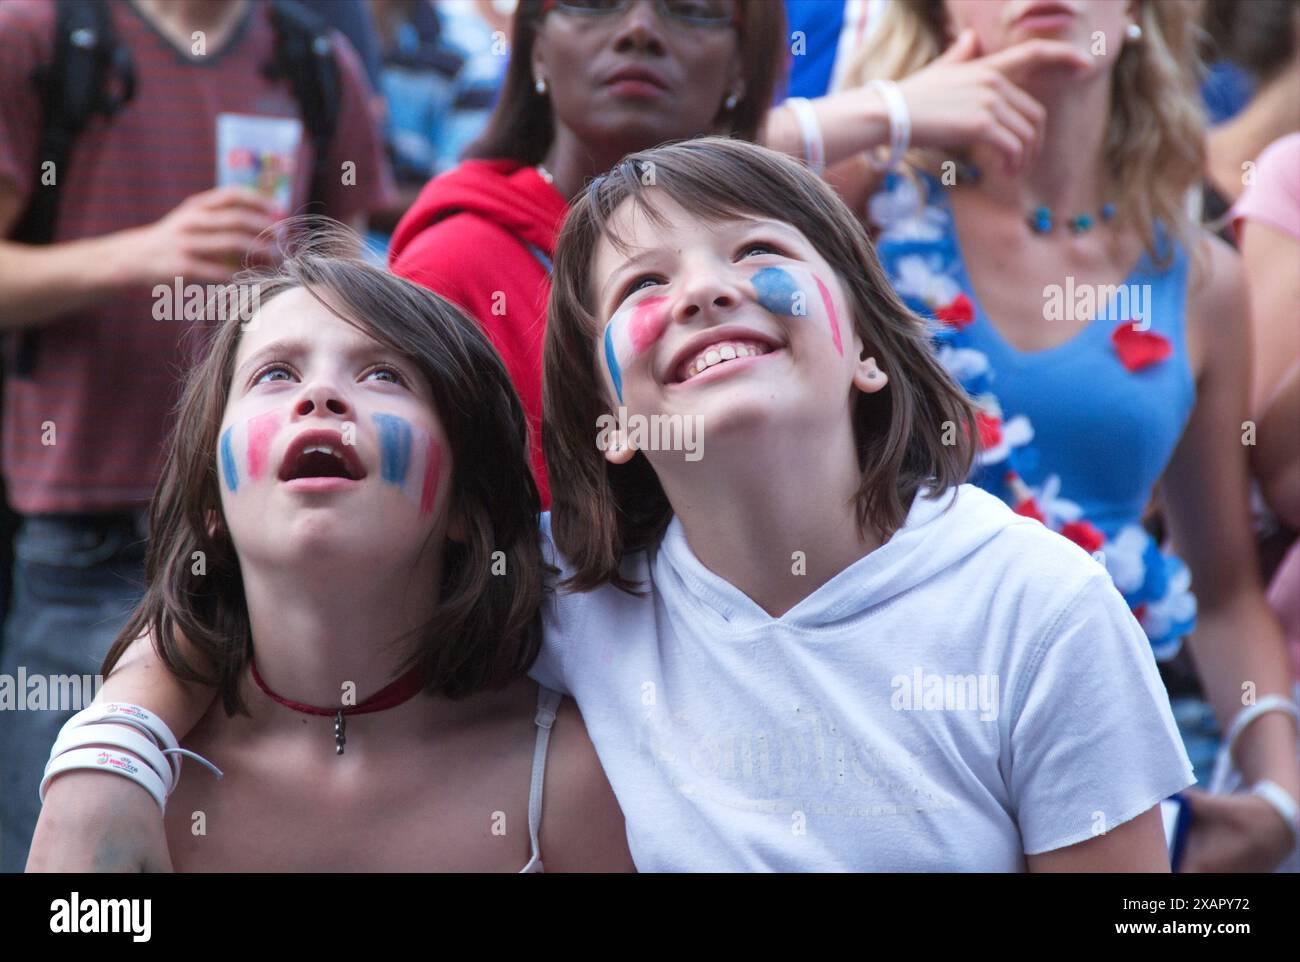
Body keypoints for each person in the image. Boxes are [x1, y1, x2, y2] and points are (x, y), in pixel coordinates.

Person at [33, 138, 1199, 871]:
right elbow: (304, 584)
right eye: (644, 284)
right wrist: (109, 747)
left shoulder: (1036, 607)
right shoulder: (576, 600)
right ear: (610, 420)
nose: (702, 292)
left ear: (870, 356)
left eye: (752, 252)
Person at [837, 0, 1300, 870]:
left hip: (1108, 761)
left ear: (1135, 14)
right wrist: (891, 113)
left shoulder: (1199, 275)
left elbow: (1225, 589)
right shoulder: (857, 205)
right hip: (883, 746)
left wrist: (1280, 798)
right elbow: (673, 193)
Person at [32, 231, 634, 872]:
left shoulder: (563, 781)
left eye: (385, 375)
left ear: (466, 503)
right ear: (212, 505)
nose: (319, 396)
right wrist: (109, 759)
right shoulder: (137, 786)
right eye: (275, 374)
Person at [0, 0, 395, 871]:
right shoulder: (39, 36)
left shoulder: (314, 57)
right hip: (88, 532)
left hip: (279, 543)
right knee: (73, 851)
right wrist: (141, 254)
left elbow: (355, 278)